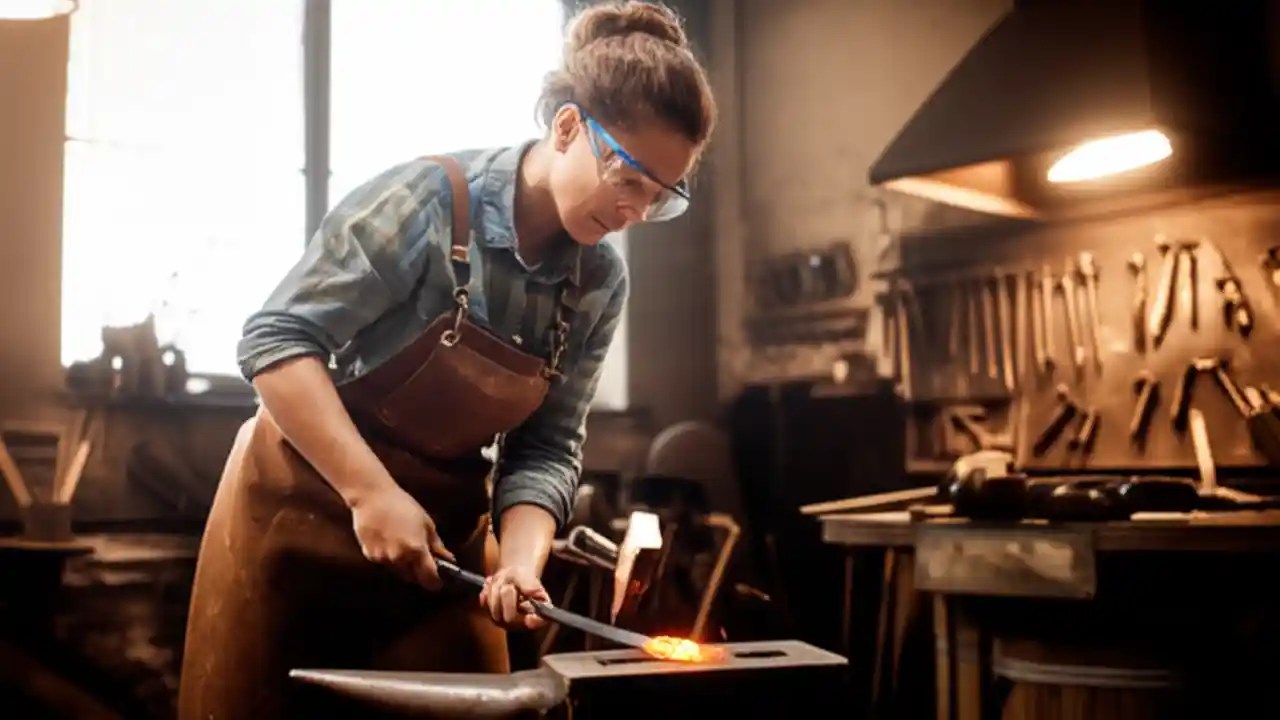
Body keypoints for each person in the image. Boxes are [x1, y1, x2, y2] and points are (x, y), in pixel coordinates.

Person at [176, 1, 717, 718]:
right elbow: (275, 342)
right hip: (295, 518)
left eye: (659, 197)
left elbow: (546, 447)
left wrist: (519, 566)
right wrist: (369, 493)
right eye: (627, 177)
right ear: (565, 128)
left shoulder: (598, 284)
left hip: (438, 549)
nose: (633, 214)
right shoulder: (426, 204)